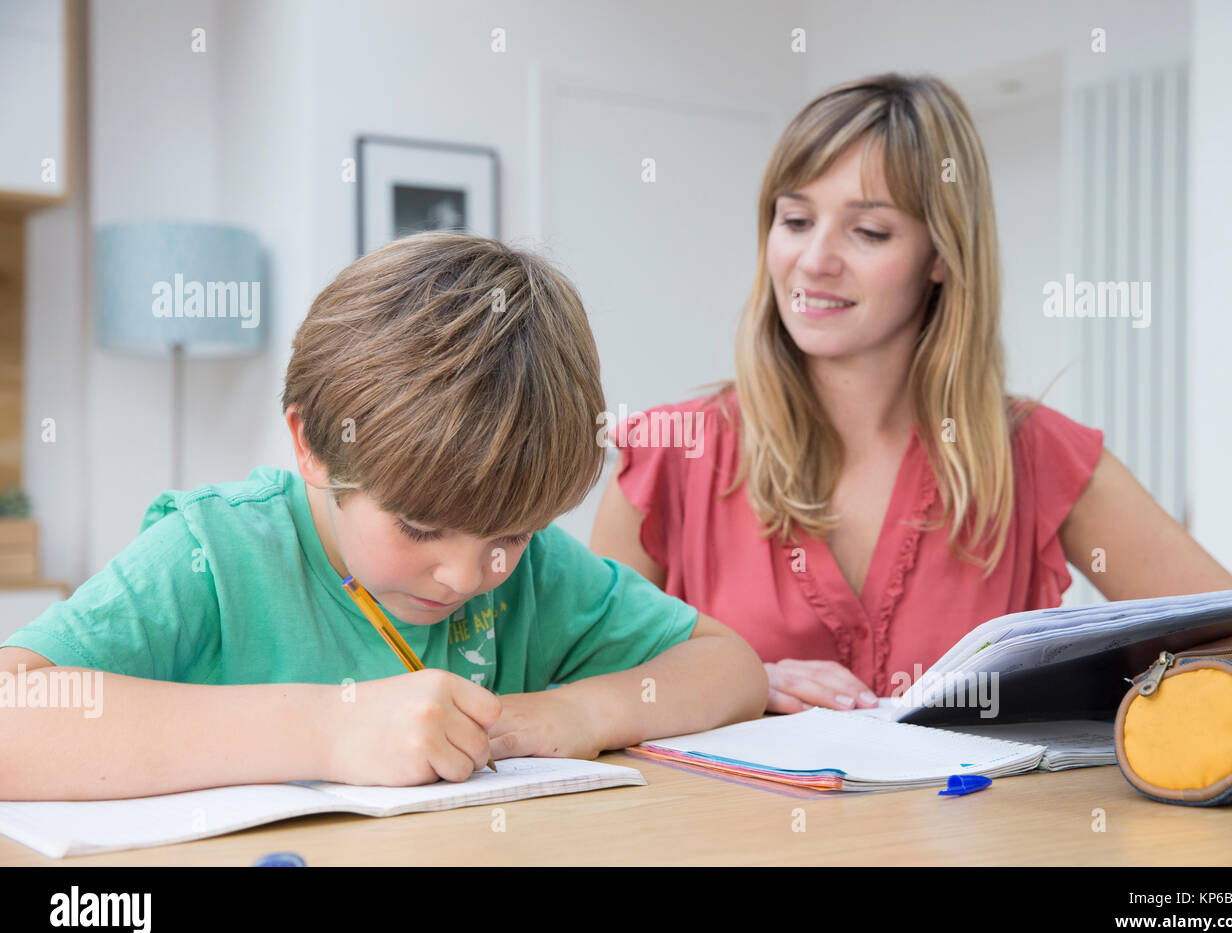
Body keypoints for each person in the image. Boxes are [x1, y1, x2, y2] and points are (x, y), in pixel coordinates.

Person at [589, 72, 1232, 715]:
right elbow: (578, 689)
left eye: (868, 231)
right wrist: (736, 678)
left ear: (942, 258)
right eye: (795, 221)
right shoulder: (666, 457)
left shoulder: (1037, 455)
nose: (815, 260)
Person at [0, 232, 767, 800]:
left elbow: (728, 666)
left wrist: (576, 711)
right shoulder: (213, 552)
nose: (470, 573)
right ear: (314, 447)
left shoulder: (529, 573)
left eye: (510, 533)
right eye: (422, 528)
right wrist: (328, 730)